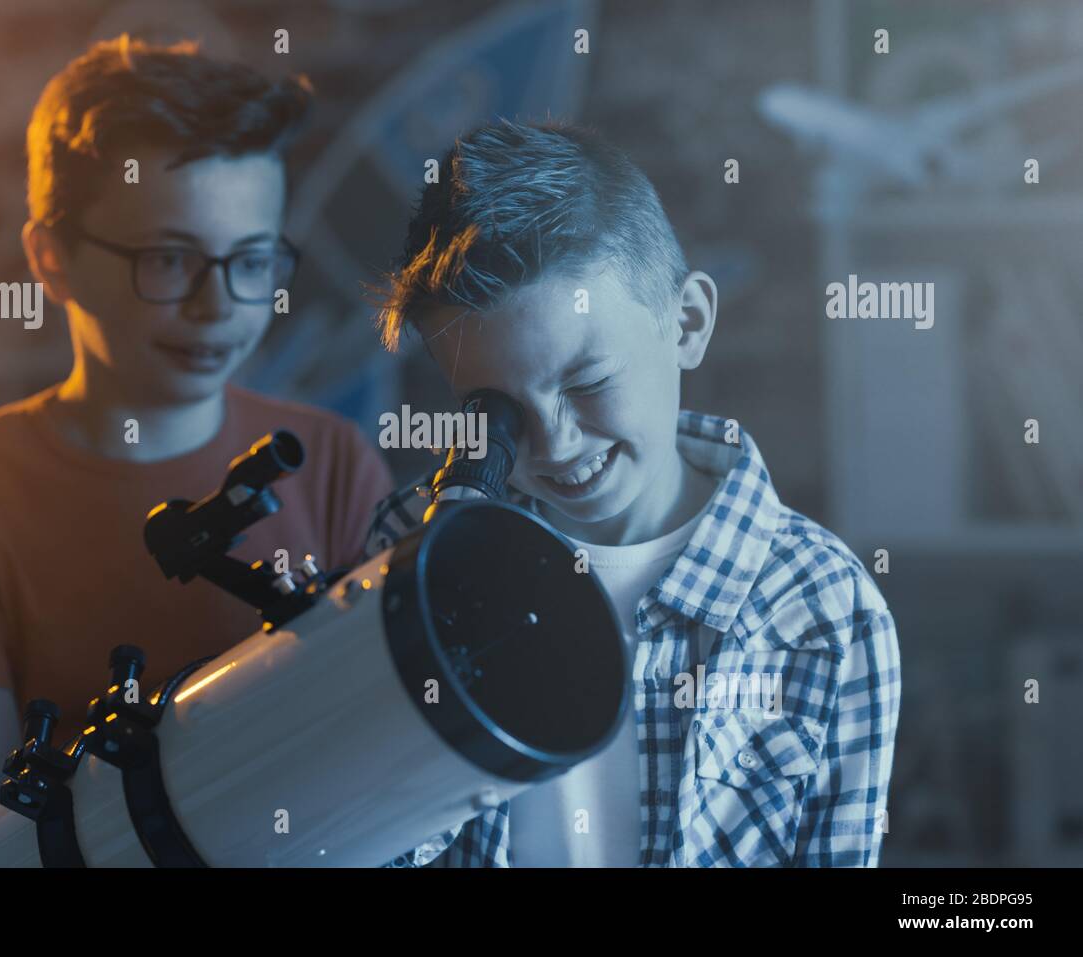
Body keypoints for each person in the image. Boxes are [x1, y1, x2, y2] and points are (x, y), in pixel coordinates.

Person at [0, 35, 392, 838]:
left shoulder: (333, 460)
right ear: (52, 258)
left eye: (252, 261)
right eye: (170, 259)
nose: (220, 306)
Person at [369, 119, 901, 867]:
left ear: (686, 323)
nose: (554, 445)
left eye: (587, 383)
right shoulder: (411, 547)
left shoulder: (823, 606)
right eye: (497, 411)